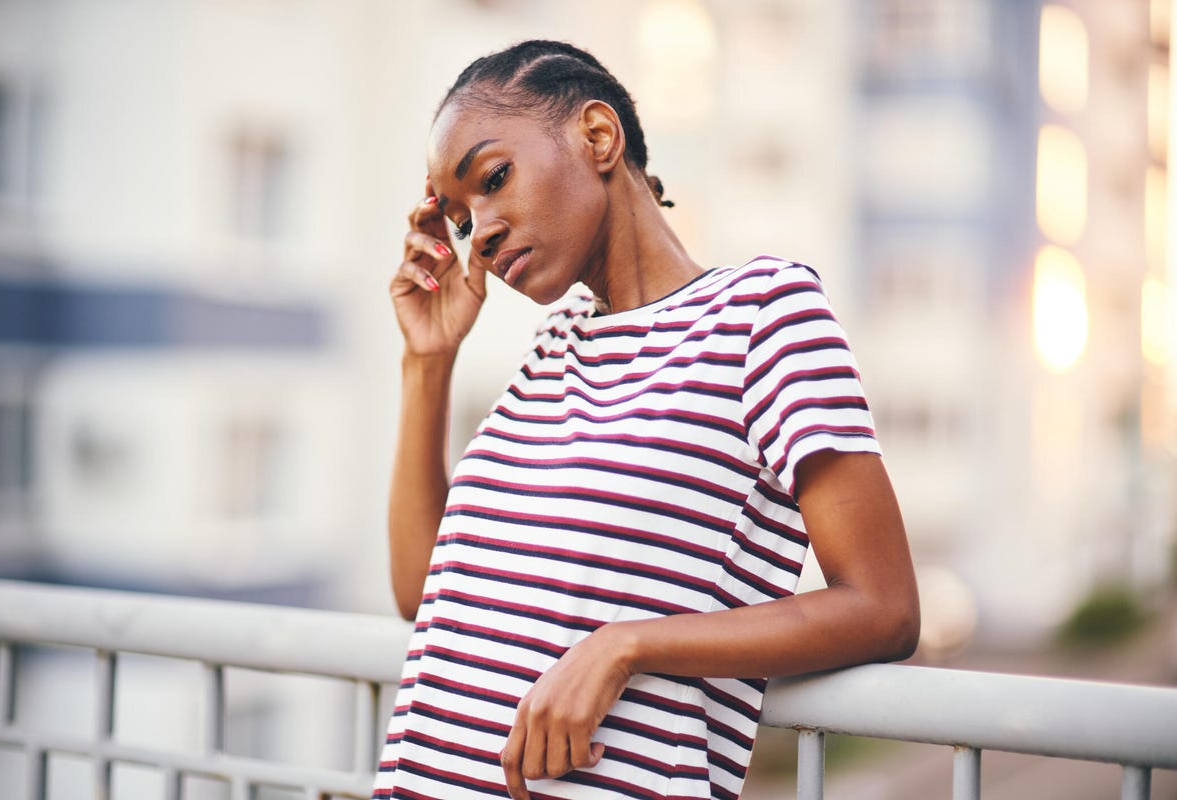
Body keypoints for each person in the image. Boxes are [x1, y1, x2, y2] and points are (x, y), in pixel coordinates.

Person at [376, 39, 919, 800]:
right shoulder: (554, 352)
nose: (485, 232)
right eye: (463, 220)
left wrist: (626, 647)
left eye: (494, 179)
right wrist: (427, 360)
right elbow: (424, 595)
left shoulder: (762, 312)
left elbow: (884, 607)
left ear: (599, 137)